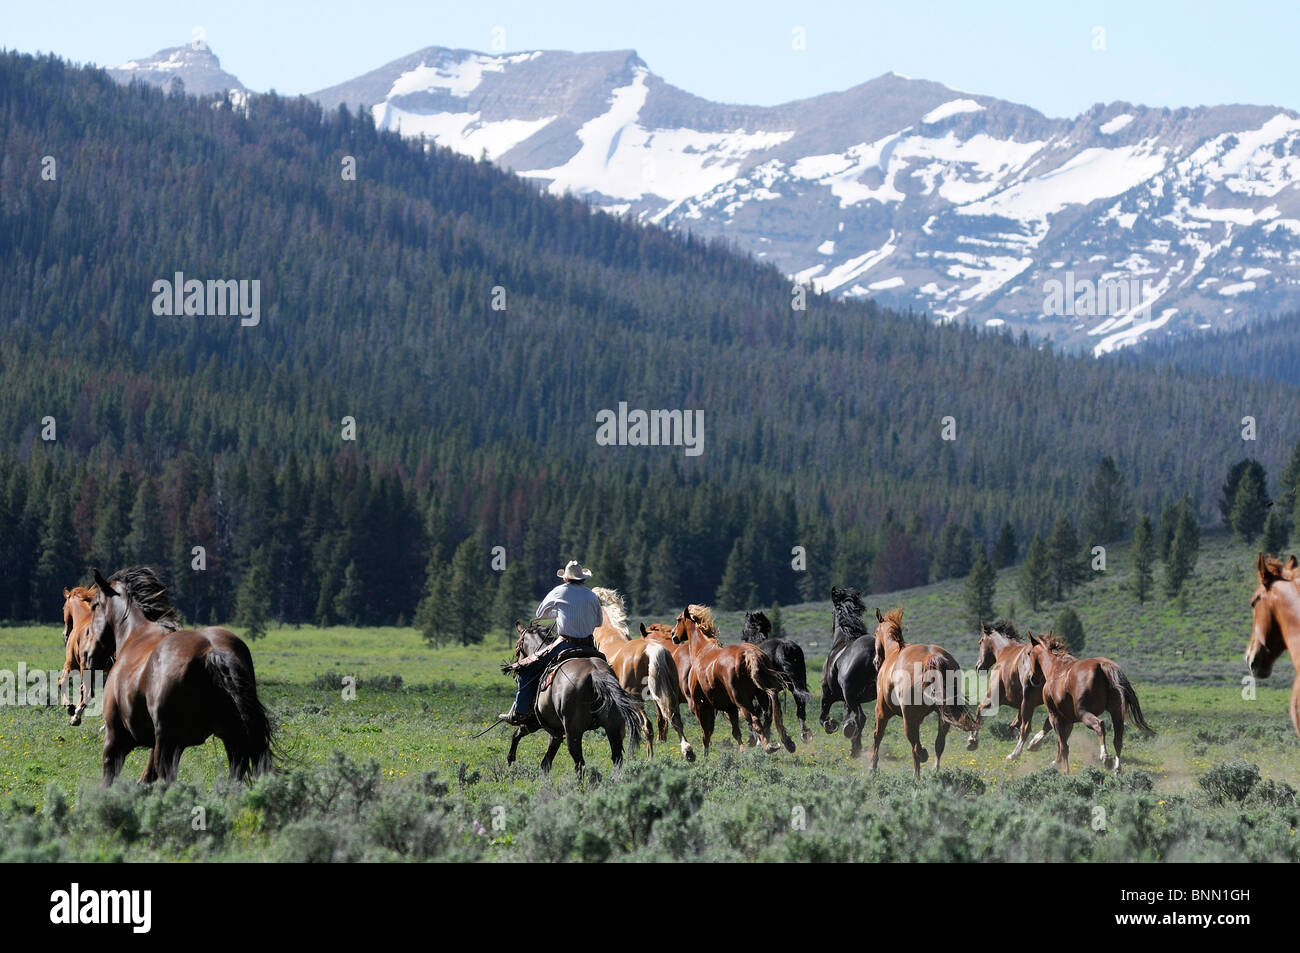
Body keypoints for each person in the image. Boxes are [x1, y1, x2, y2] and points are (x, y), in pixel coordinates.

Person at [499, 560, 605, 726]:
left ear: (565, 579)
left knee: (527, 671)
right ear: (583, 579)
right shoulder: (591, 595)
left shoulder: (560, 591)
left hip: (566, 644)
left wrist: (560, 612)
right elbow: (599, 622)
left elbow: (540, 613)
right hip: (589, 646)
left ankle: (521, 711)